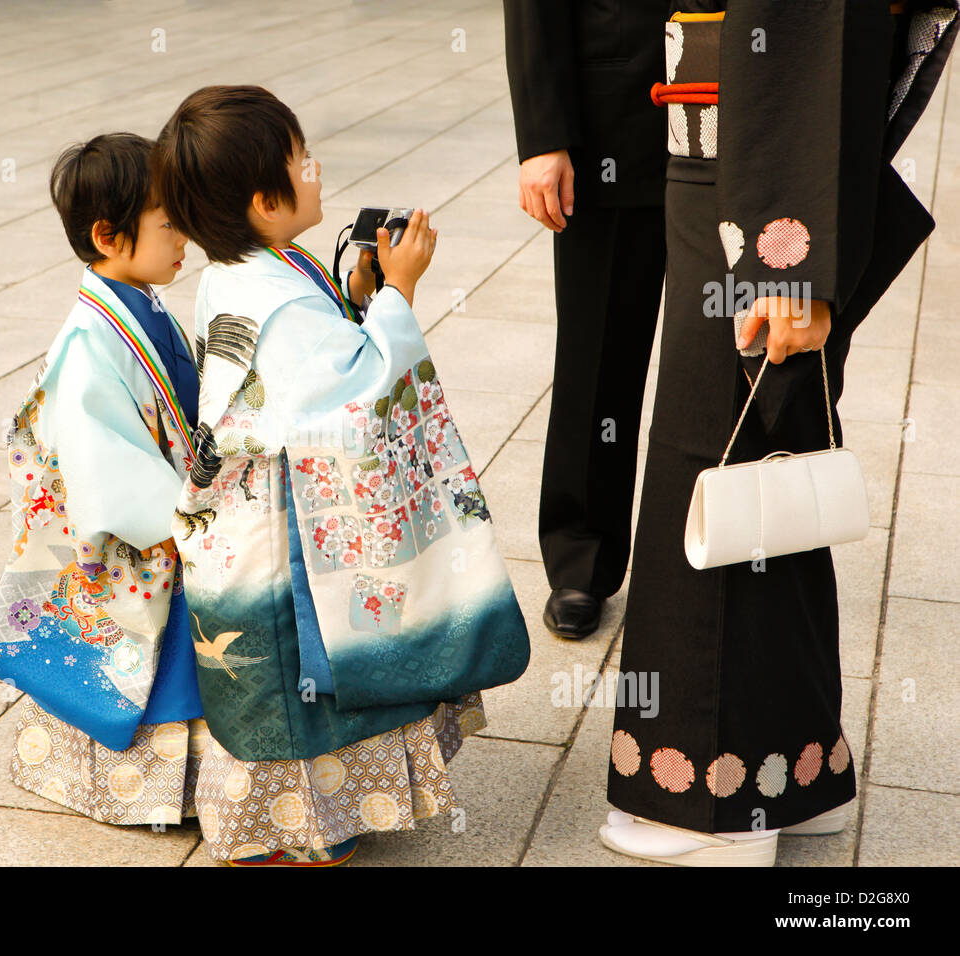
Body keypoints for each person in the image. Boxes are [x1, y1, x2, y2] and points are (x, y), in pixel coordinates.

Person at [600, 1, 955, 865]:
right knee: (767, 472)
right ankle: (790, 776)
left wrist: (787, 258)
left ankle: (712, 811)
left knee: (712, 460)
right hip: (751, 156)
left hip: (756, 173)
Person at [150, 85, 531, 865]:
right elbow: (360, 395)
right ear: (264, 200)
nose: (315, 172)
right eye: (303, 162)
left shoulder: (242, 271)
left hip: (238, 513)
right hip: (279, 536)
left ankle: (291, 817)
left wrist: (356, 294)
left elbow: (315, 372)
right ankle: (286, 833)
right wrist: (400, 295)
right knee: (294, 678)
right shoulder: (279, 303)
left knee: (268, 679)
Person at [0, 132, 207, 827]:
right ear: (108, 235)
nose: (183, 234)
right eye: (169, 222)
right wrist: (185, 515)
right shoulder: (88, 342)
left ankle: (177, 784)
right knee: (152, 659)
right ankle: (145, 790)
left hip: (171, 496)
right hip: (142, 523)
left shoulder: (141, 304)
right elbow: (103, 463)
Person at [503, 0, 670, 639]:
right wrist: (545, 135)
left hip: (736, 117)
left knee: (726, 357)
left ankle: (728, 546)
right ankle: (583, 558)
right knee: (597, 354)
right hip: (614, 121)